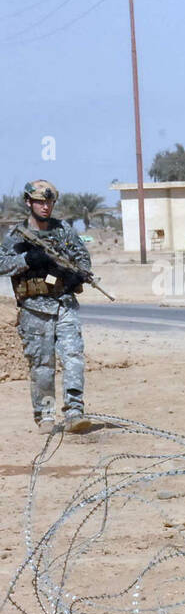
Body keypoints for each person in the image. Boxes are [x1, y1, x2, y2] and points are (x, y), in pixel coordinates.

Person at [0, 180, 92, 434]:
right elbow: (1, 264)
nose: (45, 206)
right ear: (29, 202)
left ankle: (74, 412)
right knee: (42, 365)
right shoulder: (16, 236)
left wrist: (78, 276)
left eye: (49, 202)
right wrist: (27, 259)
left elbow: (82, 258)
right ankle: (46, 416)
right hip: (34, 308)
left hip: (64, 303)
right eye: (40, 201)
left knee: (73, 358)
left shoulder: (64, 231)